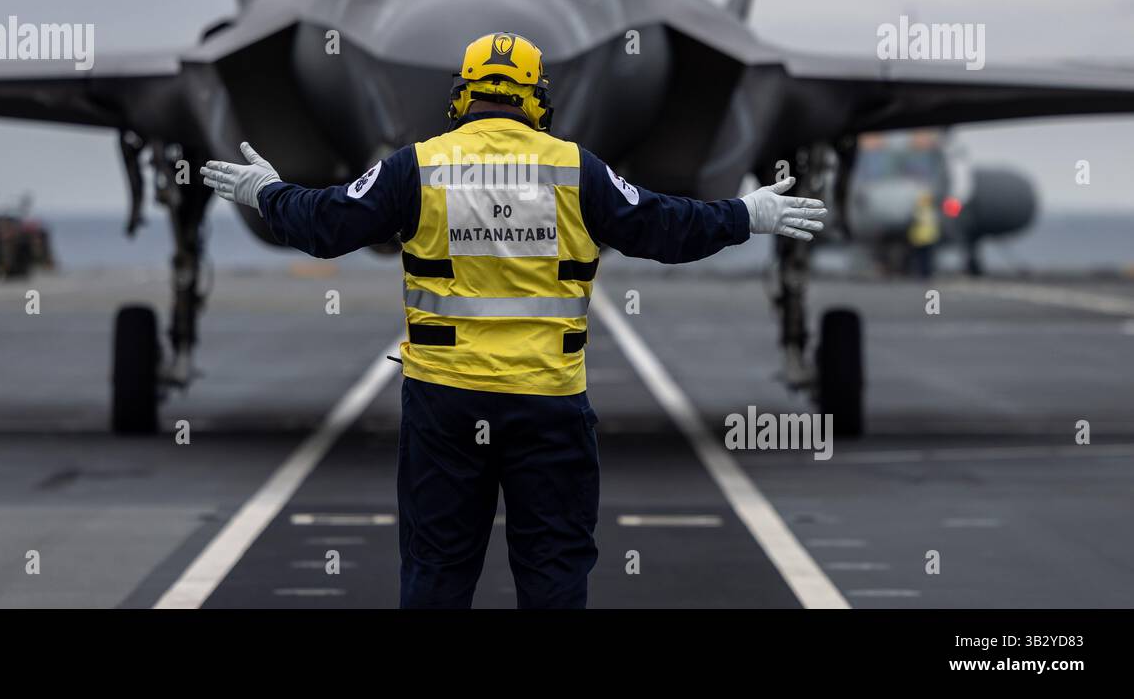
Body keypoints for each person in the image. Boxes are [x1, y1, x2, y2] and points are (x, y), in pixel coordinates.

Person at [201, 32, 827, 608]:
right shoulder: (576, 169)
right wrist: (747, 216)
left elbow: (327, 223)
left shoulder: (417, 167)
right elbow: (664, 228)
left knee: (436, 574)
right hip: (547, 405)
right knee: (554, 576)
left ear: (463, 95)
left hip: (444, 406)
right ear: (536, 100)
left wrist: (267, 192)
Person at [907, 191, 940, 279]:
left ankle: (924, 273)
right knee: (924, 258)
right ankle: (924, 273)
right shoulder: (927, 211)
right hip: (923, 238)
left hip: (923, 238)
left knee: (923, 258)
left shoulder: (920, 211)